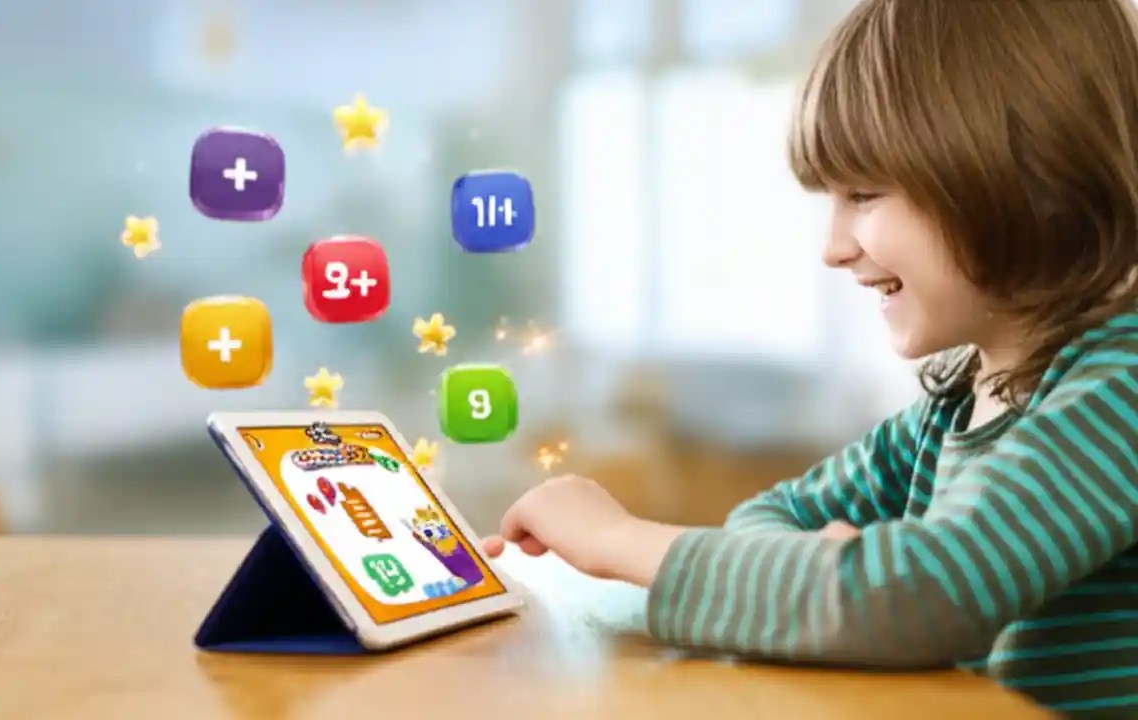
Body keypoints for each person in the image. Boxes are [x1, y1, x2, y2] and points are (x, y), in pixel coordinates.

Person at [480, 0, 1138, 714]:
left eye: (863, 194)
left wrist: (617, 540)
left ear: (1029, 176)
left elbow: (920, 596)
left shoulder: (1118, 394)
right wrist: (830, 577)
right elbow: (772, 515)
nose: (833, 246)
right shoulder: (949, 411)